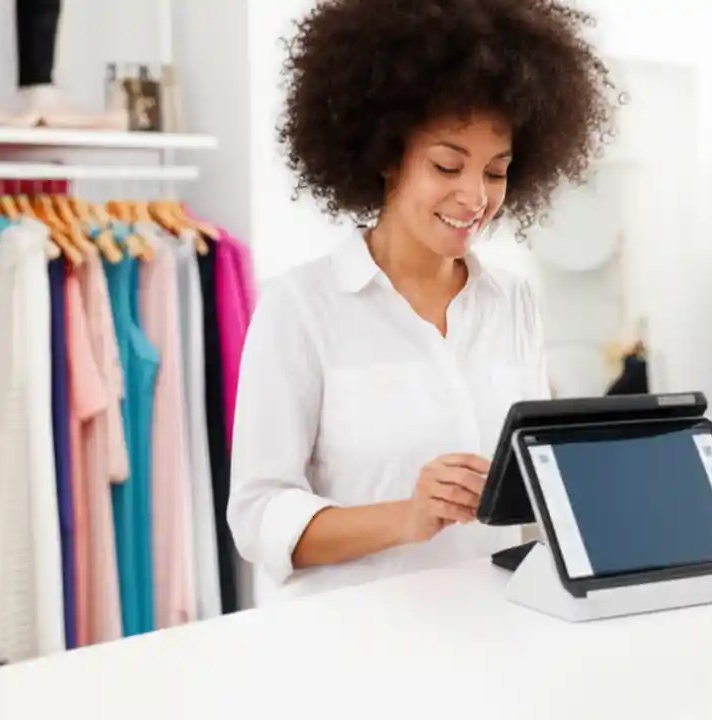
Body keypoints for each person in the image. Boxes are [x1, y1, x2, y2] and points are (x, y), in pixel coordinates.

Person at [227, 0, 616, 601]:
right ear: (387, 155)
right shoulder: (301, 307)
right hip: (350, 654)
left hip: (491, 637)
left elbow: (531, 489)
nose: (475, 197)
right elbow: (257, 516)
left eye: (495, 172)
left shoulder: (511, 300)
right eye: (446, 165)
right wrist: (406, 516)